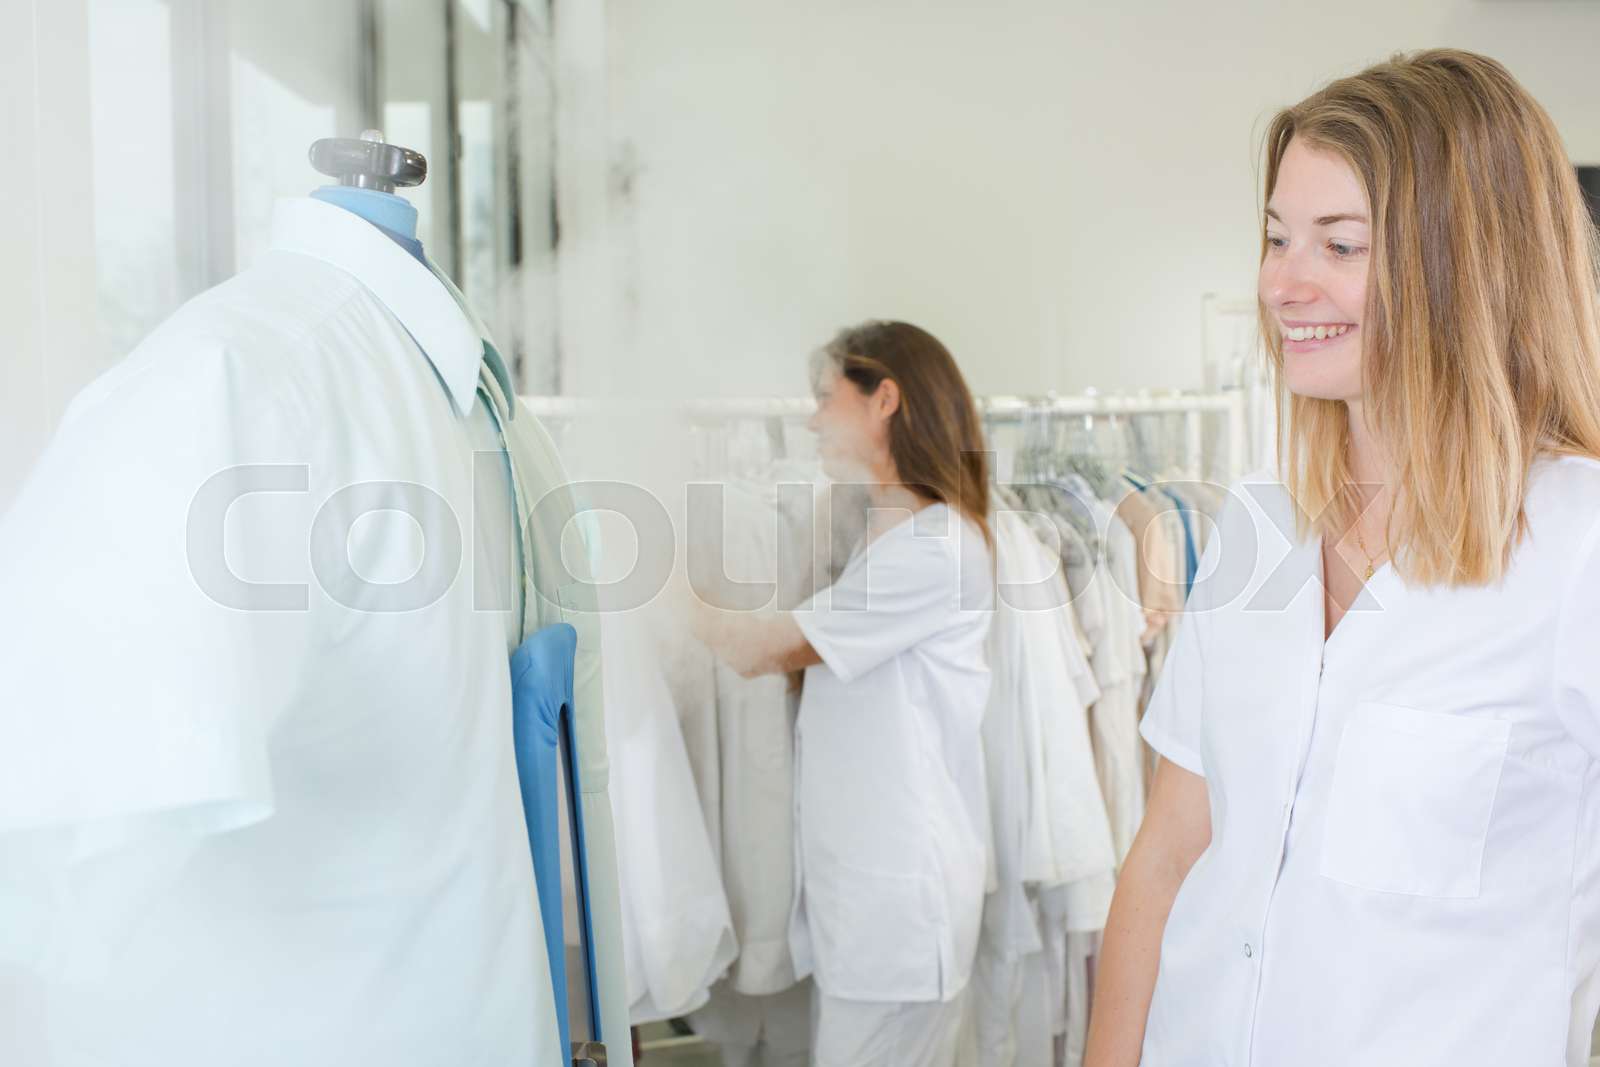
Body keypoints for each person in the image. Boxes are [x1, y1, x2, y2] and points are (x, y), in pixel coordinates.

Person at [1085, 49, 1600, 1067]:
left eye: (1340, 243)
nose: (1283, 281)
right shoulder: (1257, 528)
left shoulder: (1576, 542)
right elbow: (1166, 856)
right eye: (1277, 237)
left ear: (1469, 263)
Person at [691, 320, 995, 1067]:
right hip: (873, 905)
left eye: (827, 397)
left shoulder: (934, 548)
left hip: (898, 910)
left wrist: (648, 583)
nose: (811, 419)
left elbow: (764, 650)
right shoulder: (889, 535)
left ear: (884, 398)